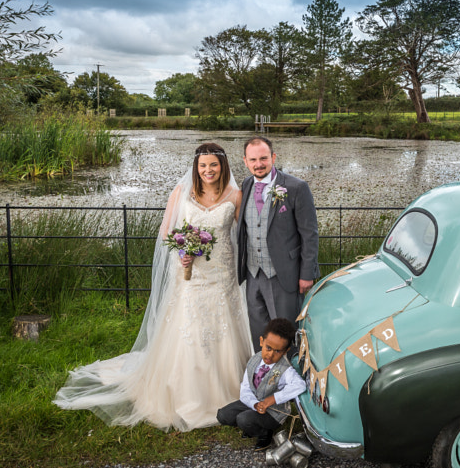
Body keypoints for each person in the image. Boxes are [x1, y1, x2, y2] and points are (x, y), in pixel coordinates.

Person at [53, 142, 253, 432]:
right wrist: (182, 252)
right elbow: (167, 231)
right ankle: (187, 394)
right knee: (190, 328)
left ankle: (230, 391)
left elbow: (243, 235)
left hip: (222, 275)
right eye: (203, 165)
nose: (208, 170)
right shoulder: (182, 193)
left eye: (214, 165)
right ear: (195, 168)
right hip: (190, 274)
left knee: (224, 327)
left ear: (223, 166)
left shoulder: (236, 196)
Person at [237, 136, 319, 350]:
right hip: (253, 274)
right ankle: (264, 374)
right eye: (253, 159)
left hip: (284, 274)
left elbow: (309, 234)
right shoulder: (245, 184)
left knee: (286, 333)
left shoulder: (296, 187)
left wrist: (306, 274)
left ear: (273, 157)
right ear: (245, 161)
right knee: (259, 332)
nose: (259, 164)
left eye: (263, 158)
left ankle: (292, 377)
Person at [216, 318, 305, 448]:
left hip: (273, 413)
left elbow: (300, 385)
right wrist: (254, 404)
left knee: (243, 419)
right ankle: (251, 425)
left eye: (277, 351)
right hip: (254, 401)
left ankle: (264, 433)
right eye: (268, 348)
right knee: (223, 415)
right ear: (261, 341)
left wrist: (273, 399)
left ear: (285, 351)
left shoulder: (285, 369)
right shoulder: (255, 359)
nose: (270, 355)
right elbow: (245, 388)